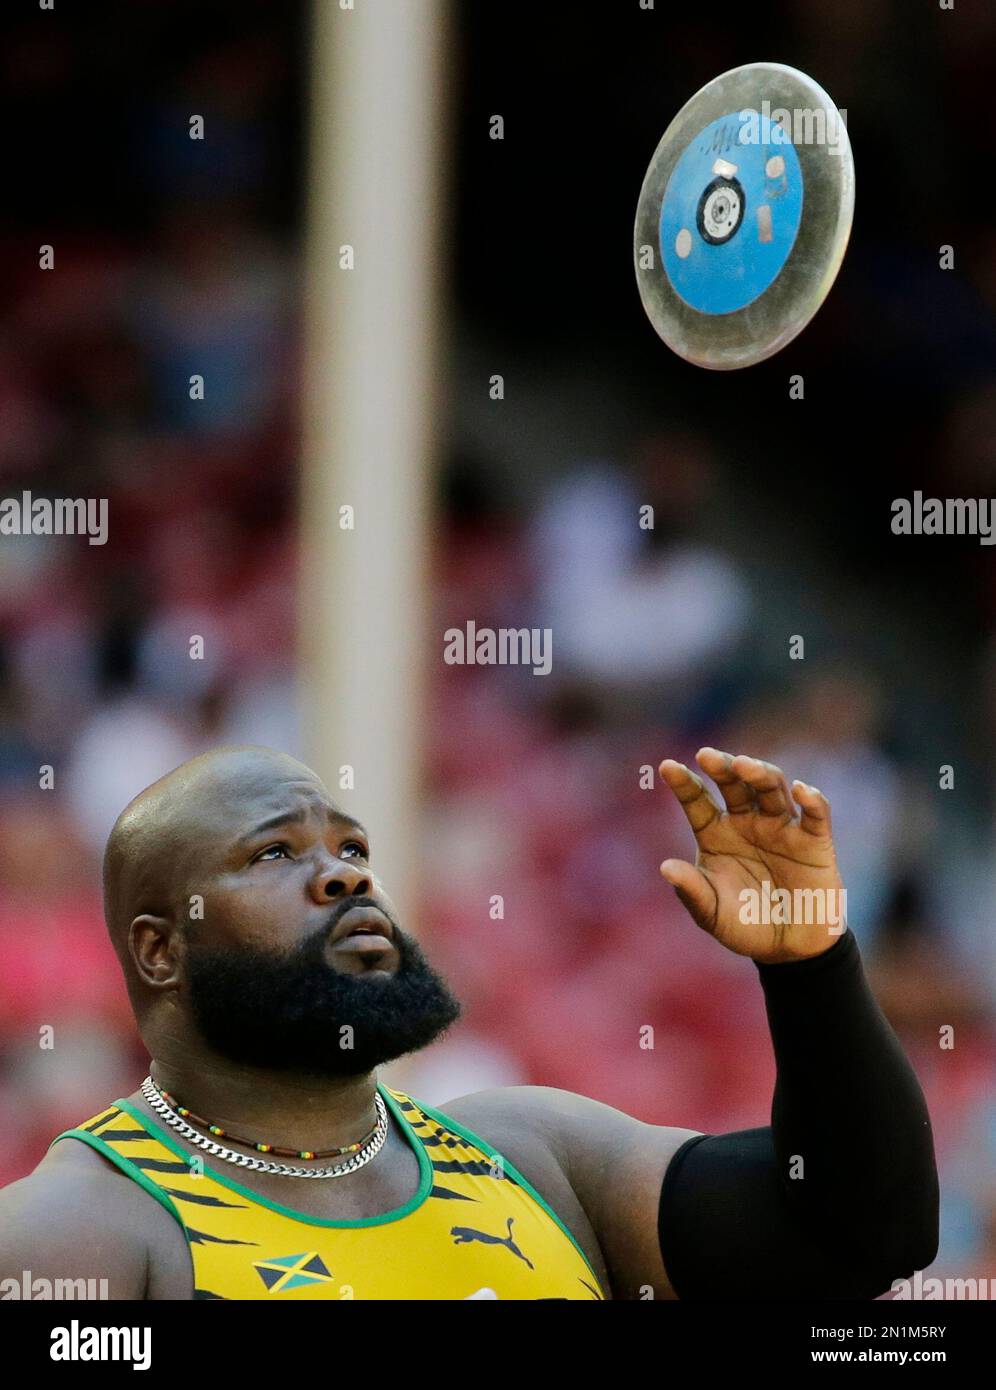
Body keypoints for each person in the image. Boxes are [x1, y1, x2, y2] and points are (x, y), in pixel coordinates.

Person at [0, 744, 938, 1300]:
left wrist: (814, 966)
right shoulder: (79, 1234)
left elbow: (865, 1234)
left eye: (353, 847)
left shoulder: (537, 1157)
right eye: (275, 853)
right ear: (162, 951)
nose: (347, 876)